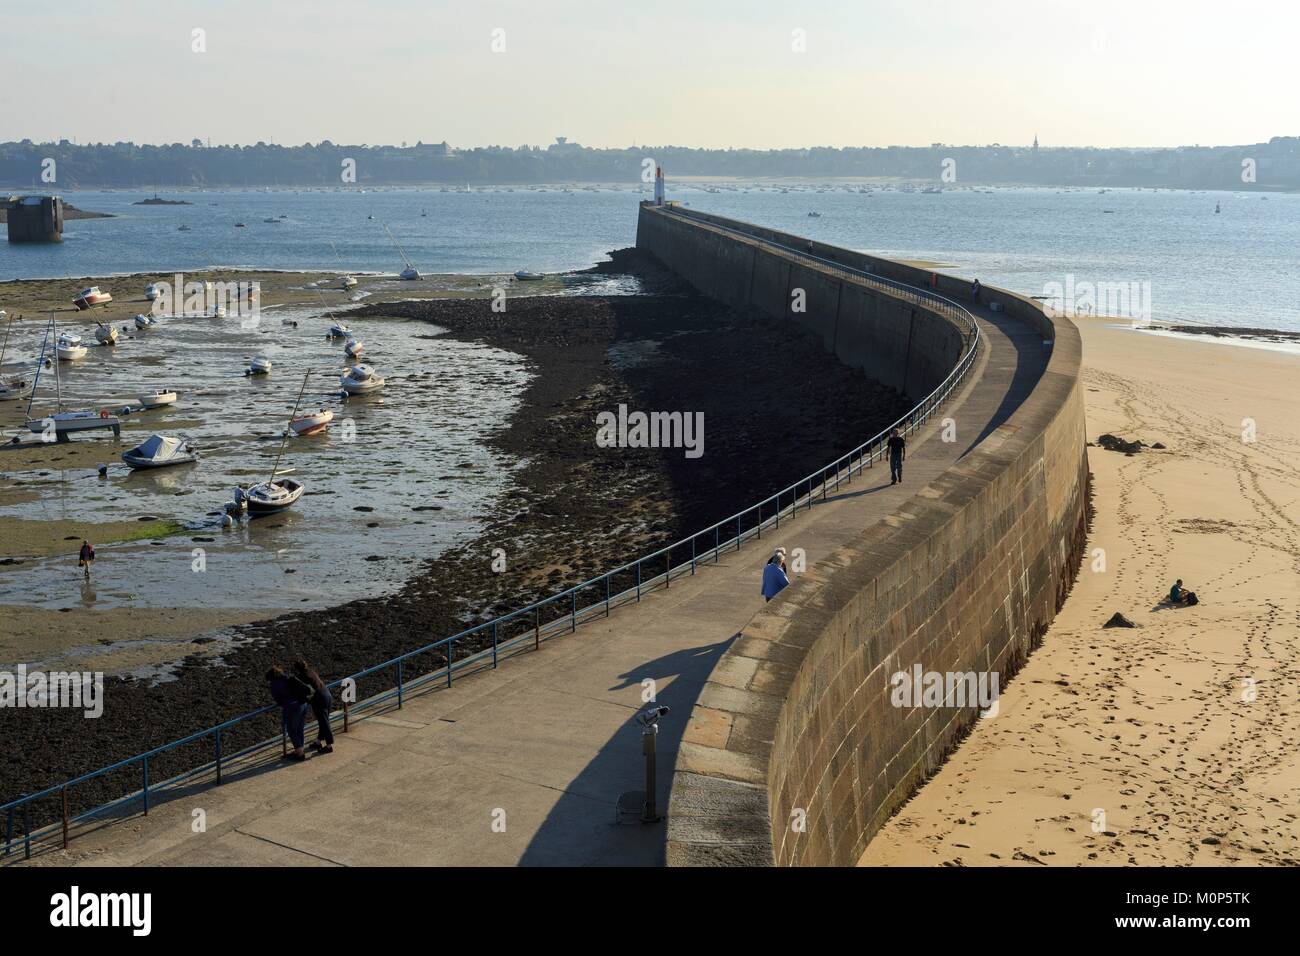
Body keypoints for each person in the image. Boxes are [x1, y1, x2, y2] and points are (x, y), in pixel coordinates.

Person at [266, 665, 314, 761]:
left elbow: (278, 699)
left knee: (291, 730)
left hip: (293, 707)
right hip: (303, 703)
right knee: (299, 728)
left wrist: (283, 702)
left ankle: (300, 753)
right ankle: (299, 750)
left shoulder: (274, 683)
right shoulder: (287, 676)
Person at [293, 658, 335, 754]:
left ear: (297, 669)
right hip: (327, 694)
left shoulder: (302, 676)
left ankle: (329, 746)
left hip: (319, 699)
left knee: (324, 722)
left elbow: (302, 690)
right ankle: (318, 742)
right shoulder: (311, 671)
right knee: (323, 720)